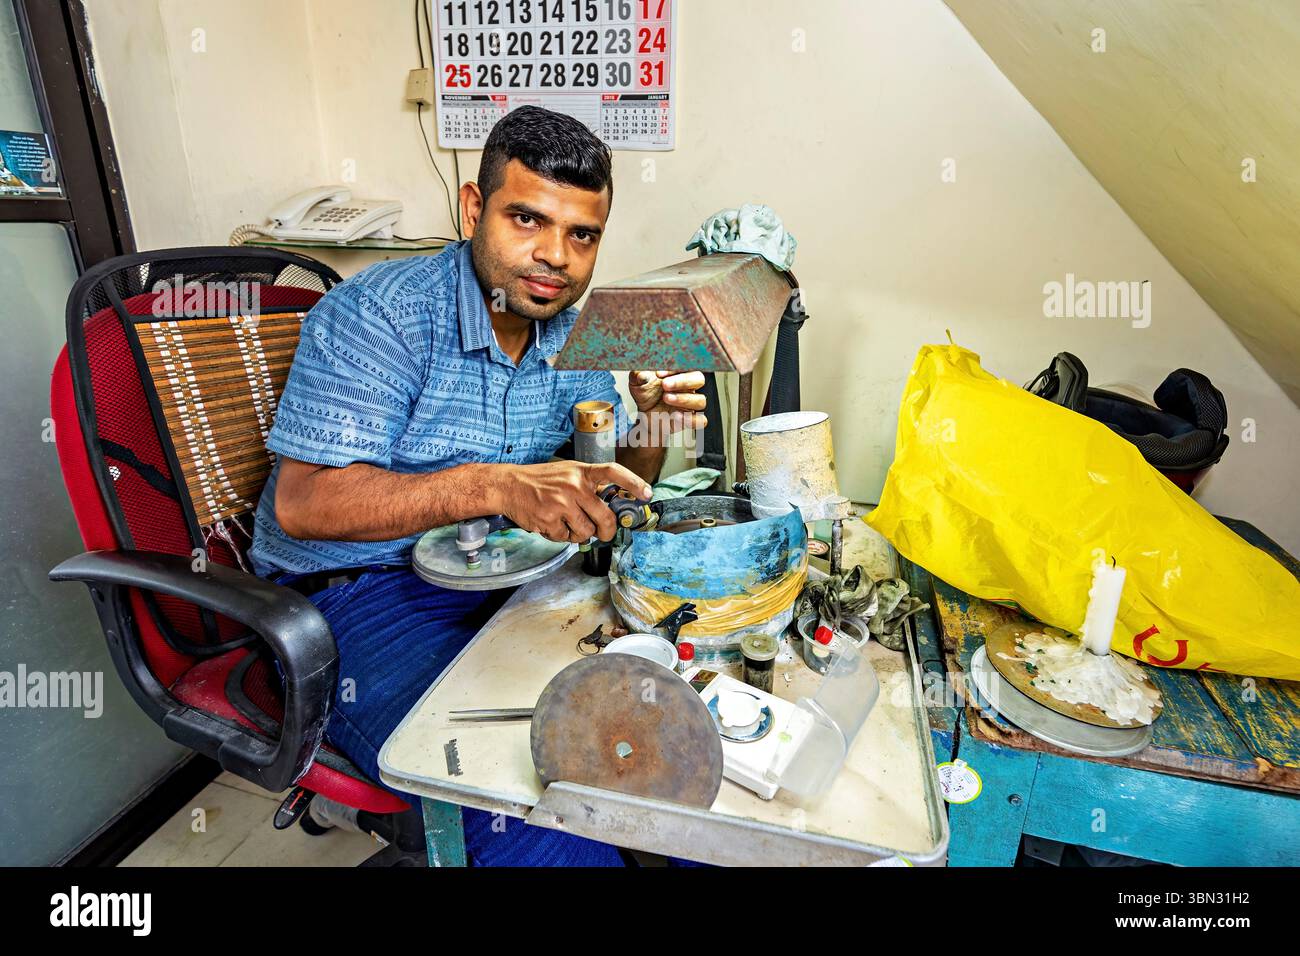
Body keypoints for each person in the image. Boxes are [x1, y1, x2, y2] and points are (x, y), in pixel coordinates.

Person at [250, 106, 706, 865]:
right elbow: (303, 504)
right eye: (526, 218)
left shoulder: (572, 333)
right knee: (535, 810)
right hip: (359, 593)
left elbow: (605, 491)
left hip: (507, 573)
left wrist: (650, 426)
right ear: (472, 208)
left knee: (665, 744)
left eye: (581, 234)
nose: (554, 255)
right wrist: (494, 486)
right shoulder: (381, 316)